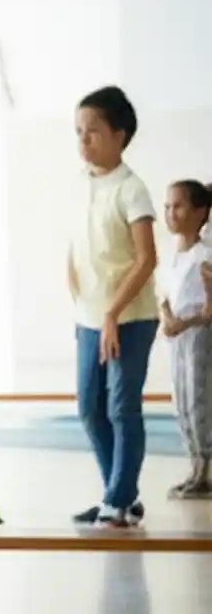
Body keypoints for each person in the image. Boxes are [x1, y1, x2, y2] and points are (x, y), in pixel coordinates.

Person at [67, 85, 159, 528]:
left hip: (130, 317)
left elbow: (146, 258)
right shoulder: (83, 183)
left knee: (122, 408)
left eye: (93, 132)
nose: (83, 141)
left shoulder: (131, 189)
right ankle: (118, 495)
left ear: (119, 136)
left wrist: (112, 313)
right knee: (89, 408)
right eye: (78, 132)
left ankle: (118, 499)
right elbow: (81, 241)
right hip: (89, 317)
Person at [158, 179, 212, 498]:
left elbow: (209, 308)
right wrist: (167, 317)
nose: (171, 213)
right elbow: (164, 293)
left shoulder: (205, 256)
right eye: (168, 207)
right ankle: (194, 468)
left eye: (178, 206)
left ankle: (205, 471)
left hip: (199, 338)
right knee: (180, 401)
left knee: (198, 400)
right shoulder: (173, 255)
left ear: (200, 211)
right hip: (176, 338)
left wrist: (186, 323)